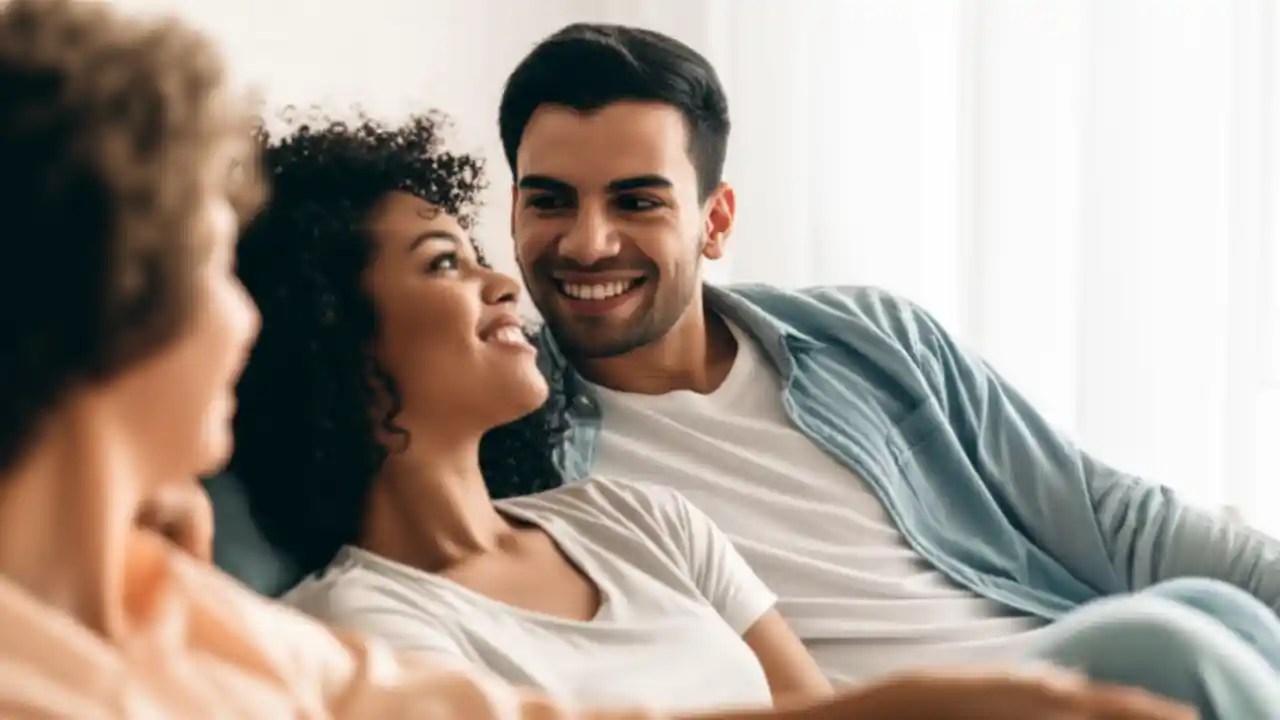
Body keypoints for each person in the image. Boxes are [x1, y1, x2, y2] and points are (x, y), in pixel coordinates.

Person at [227, 113, 1186, 720]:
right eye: (443, 262)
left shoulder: (635, 518)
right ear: (334, 340)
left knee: (1187, 628)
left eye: (477, 252)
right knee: (1158, 650)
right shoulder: (362, 634)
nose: (498, 280)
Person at [497, 21, 1280, 719]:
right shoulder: (511, 442)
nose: (587, 243)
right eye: (551, 202)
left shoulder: (869, 339)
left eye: (637, 203)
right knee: (1167, 646)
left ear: (716, 220)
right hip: (931, 706)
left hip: (1080, 665)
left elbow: (1114, 521)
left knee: (1220, 615)